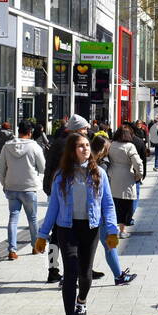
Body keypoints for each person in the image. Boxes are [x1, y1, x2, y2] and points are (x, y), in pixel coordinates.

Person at [36, 133, 119, 315]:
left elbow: (108, 204)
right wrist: (43, 234)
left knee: (85, 273)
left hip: (90, 229)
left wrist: (112, 230)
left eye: (86, 145)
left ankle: (81, 300)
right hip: (67, 228)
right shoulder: (61, 176)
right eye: (80, 146)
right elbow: (53, 207)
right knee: (71, 273)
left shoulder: (99, 173)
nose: (85, 149)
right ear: (72, 151)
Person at [43, 115, 103, 284]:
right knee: (59, 234)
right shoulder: (68, 145)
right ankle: (69, 270)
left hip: (56, 189)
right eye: (84, 129)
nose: (87, 131)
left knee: (57, 234)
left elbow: (49, 167)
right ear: (77, 129)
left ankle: (56, 269)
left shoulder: (58, 142)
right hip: (63, 191)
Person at [90, 134, 137, 285]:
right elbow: (105, 197)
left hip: (88, 213)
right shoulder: (101, 166)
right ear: (103, 149)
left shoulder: (87, 163)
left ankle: (76, 274)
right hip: (99, 213)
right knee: (109, 244)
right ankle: (118, 276)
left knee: (87, 246)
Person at [0, 119, 47, 260]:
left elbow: (1, 169)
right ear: (30, 132)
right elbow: (43, 167)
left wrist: (4, 184)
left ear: (18, 130)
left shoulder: (7, 146)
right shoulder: (34, 147)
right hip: (29, 187)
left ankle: (12, 250)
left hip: (11, 187)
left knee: (13, 218)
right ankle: (35, 247)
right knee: (32, 218)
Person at [108, 127, 144, 237]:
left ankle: (113, 228)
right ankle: (122, 230)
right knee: (125, 204)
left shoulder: (111, 144)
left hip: (113, 174)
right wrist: (139, 175)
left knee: (114, 203)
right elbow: (138, 163)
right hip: (127, 176)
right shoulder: (130, 146)